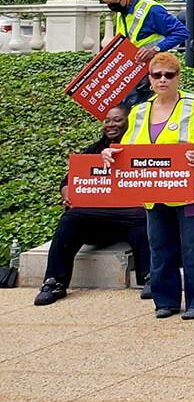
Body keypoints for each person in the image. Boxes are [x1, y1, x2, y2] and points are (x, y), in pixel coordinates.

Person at [106, 53, 194, 320]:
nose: (162, 80)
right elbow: (126, 149)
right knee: (160, 247)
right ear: (149, 79)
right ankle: (166, 301)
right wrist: (110, 154)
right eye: (156, 75)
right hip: (155, 191)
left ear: (178, 77)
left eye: (168, 75)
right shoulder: (138, 111)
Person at [35, 105, 150, 305]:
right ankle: (54, 282)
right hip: (95, 218)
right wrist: (69, 194)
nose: (111, 124)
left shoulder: (142, 147)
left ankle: (150, 278)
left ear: (130, 122)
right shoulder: (93, 150)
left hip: (130, 217)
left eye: (117, 120)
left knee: (143, 219)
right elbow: (67, 181)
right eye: (107, 120)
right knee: (69, 220)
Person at [99, 0, 190, 62]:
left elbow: (181, 32)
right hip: (133, 68)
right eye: (108, 3)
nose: (111, 7)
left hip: (153, 66)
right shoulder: (122, 10)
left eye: (114, 2)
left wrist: (155, 49)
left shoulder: (152, 10)